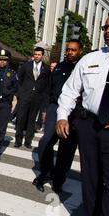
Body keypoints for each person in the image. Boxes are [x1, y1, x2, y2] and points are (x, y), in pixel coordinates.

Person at [56, 14, 109, 216]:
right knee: (91, 181)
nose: (107, 30)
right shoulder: (90, 59)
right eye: (105, 27)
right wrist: (62, 117)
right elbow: (69, 91)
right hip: (89, 127)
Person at [33, 39, 83, 193]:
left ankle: (58, 179)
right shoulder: (60, 66)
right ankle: (46, 172)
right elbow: (49, 89)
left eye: (73, 50)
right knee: (45, 142)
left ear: (80, 51)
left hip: (74, 112)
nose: (69, 52)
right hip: (55, 108)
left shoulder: (83, 67)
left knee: (66, 149)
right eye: (68, 49)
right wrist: (45, 109)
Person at [14, 47, 50, 148]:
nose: (37, 56)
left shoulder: (46, 68)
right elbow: (18, 79)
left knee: (31, 120)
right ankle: (18, 140)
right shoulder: (26, 66)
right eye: (35, 54)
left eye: (39, 55)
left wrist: (44, 97)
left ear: (42, 56)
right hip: (25, 96)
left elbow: (47, 84)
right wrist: (19, 93)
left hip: (37, 98)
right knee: (21, 118)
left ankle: (28, 141)